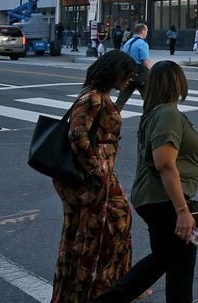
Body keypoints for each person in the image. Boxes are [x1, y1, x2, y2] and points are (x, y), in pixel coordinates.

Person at [93, 61, 198, 303]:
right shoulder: (167, 114)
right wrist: (182, 211)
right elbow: (164, 163)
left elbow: (171, 142)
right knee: (165, 259)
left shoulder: (157, 111)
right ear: (177, 83)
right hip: (164, 200)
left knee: (179, 263)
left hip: (157, 199)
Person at [52, 51, 139, 302]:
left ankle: (107, 285)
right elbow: (77, 135)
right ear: (115, 72)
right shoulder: (91, 97)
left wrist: (127, 93)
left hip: (99, 176)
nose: (129, 78)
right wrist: (97, 169)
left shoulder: (100, 96)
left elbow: (107, 121)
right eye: (127, 74)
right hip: (91, 179)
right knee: (94, 231)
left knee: (110, 224)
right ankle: (94, 289)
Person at [115, 23, 152, 112]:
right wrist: (152, 73)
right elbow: (146, 62)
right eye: (146, 31)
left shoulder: (128, 42)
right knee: (149, 100)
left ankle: (110, 117)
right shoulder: (142, 44)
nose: (147, 33)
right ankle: (150, 118)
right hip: (141, 74)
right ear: (142, 31)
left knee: (121, 100)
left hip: (129, 74)